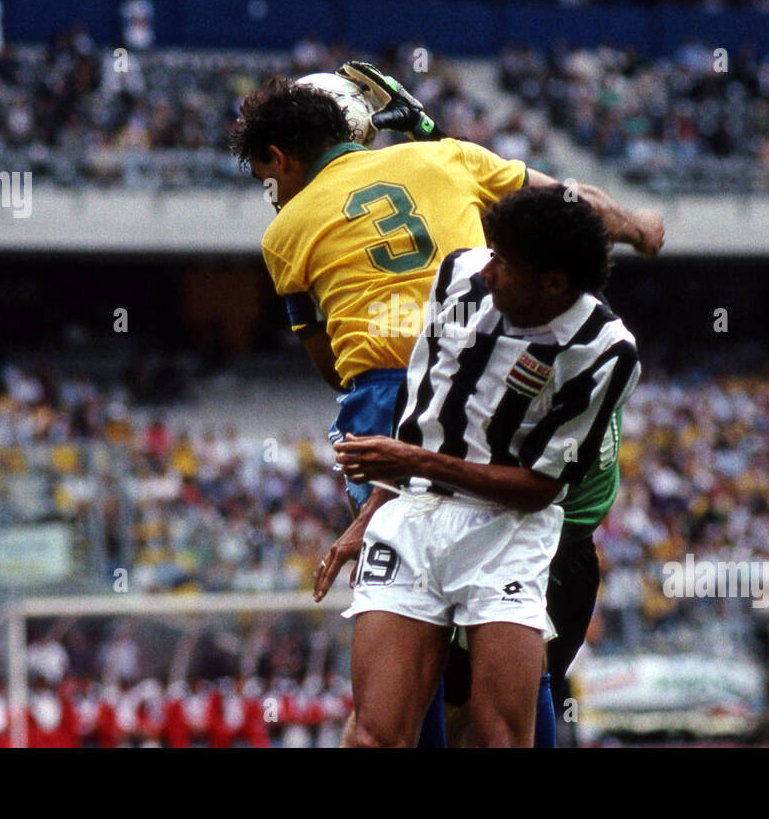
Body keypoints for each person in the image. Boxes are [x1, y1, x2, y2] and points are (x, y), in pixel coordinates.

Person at [230, 67, 661, 747]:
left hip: (383, 403)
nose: (271, 191)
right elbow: (576, 205)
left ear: (281, 158)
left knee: (413, 645)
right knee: (516, 637)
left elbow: (328, 363)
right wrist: (642, 226)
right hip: (496, 381)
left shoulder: (286, 233)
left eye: (267, 176)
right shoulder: (452, 162)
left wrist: (388, 476)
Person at [314, 187, 641, 747]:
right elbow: (425, 409)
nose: (487, 269)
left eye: (505, 263)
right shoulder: (460, 275)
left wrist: (412, 460)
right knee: (372, 737)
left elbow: (538, 489)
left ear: (554, 284)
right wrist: (371, 512)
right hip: (414, 515)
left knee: (498, 737)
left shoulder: (604, 350)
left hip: (507, 533)